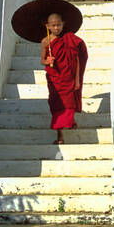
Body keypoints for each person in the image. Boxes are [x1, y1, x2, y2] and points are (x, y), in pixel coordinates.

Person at [40, 12, 88, 144]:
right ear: (48, 26)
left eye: (59, 25)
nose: (56, 28)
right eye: (53, 26)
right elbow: (42, 60)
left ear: (63, 24)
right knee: (57, 105)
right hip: (54, 78)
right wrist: (47, 60)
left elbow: (78, 60)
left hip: (68, 78)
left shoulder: (70, 39)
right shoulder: (45, 41)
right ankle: (59, 134)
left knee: (68, 104)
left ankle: (62, 133)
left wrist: (77, 79)